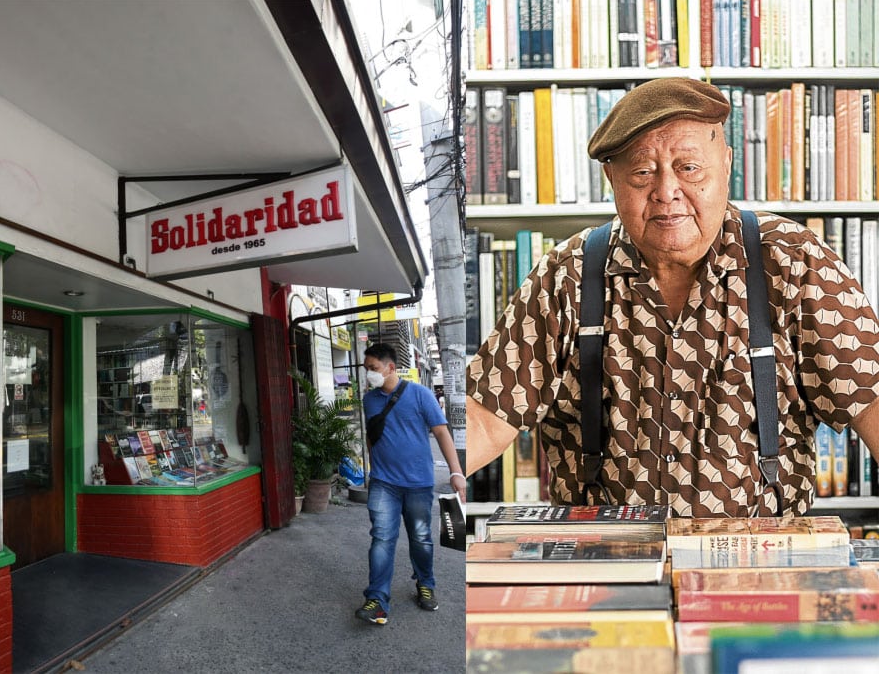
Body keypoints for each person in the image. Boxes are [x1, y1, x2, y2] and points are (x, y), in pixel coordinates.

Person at [466, 77, 879, 518]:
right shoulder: (567, 276)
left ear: (726, 165)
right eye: (643, 172)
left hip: (759, 554)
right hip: (605, 554)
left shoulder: (792, 262)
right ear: (611, 178)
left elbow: (872, 400)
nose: (666, 191)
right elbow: (483, 421)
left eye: (689, 168)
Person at [354, 343, 465, 625]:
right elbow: (372, 435)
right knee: (381, 539)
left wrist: (456, 472)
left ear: (390, 367)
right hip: (383, 483)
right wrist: (372, 469)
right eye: (366, 369)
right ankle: (377, 599)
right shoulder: (369, 400)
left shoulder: (420, 394)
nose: (369, 374)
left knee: (421, 538)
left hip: (418, 483)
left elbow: (442, 433)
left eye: (373, 368)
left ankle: (425, 584)